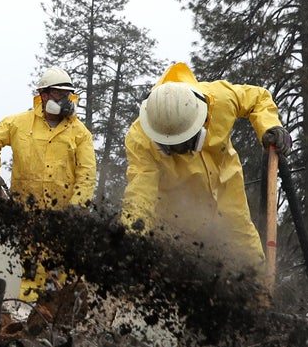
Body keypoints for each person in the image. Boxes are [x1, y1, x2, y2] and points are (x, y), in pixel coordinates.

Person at [122, 61, 290, 276]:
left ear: (200, 123)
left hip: (227, 190)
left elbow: (258, 98)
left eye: (183, 143)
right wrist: (131, 239)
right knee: (183, 275)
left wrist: (269, 125)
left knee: (248, 258)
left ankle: (262, 302)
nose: (180, 150)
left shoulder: (219, 98)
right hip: (179, 213)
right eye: (171, 146)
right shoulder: (140, 139)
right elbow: (139, 194)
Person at [0, 67, 97, 301]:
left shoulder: (79, 132)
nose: (65, 100)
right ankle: (27, 316)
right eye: (59, 94)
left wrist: (76, 207)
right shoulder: (19, 124)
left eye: (69, 95)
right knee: (32, 273)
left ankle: (64, 322)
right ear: (43, 95)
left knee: (67, 274)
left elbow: (87, 173)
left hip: (64, 218)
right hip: (29, 215)